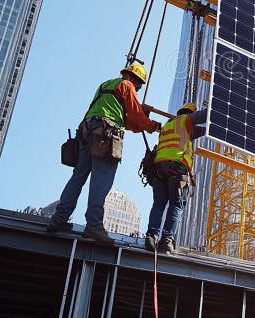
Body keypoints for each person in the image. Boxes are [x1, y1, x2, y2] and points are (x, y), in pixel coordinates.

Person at [47, 63, 161, 244]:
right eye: (139, 86)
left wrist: (142, 121)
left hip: (87, 132)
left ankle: (59, 217)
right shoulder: (127, 86)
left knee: (78, 176)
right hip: (105, 135)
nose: (137, 90)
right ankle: (94, 225)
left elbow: (130, 122)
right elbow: (136, 115)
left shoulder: (106, 85)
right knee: (102, 180)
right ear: (134, 79)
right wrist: (153, 126)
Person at [145, 102, 207, 254]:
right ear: (190, 113)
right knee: (176, 205)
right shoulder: (187, 120)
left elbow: (202, 131)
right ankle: (167, 239)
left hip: (159, 169)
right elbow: (207, 117)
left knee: (158, 204)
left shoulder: (168, 125)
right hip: (177, 168)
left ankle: (151, 235)